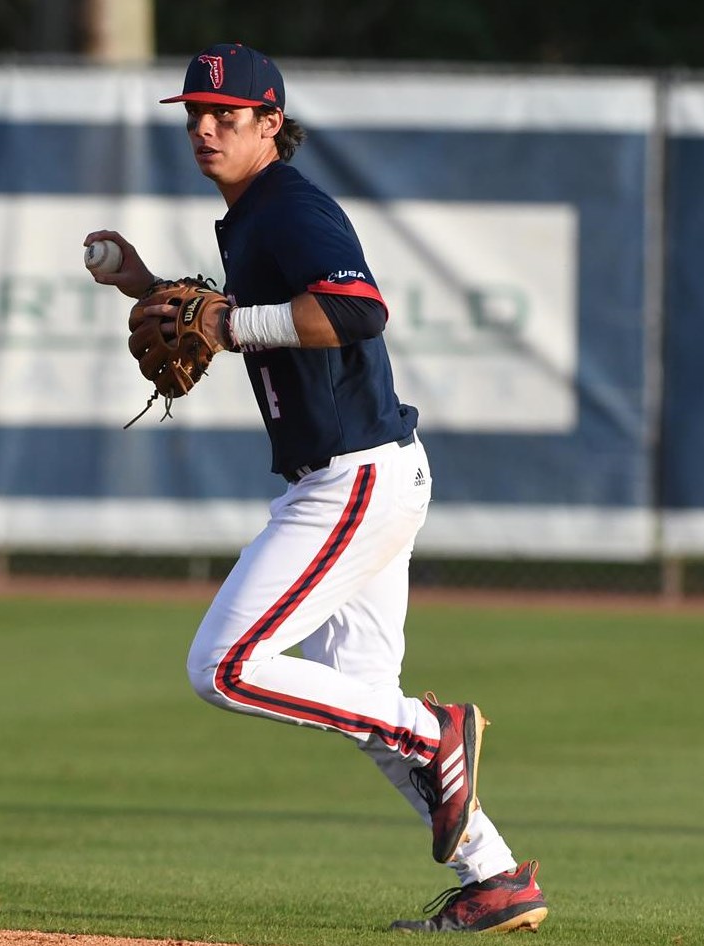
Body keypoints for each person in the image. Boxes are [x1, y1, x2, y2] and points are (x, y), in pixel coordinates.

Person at [84, 43, 547, 934]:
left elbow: (358, 309)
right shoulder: (250, 217)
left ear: (271, 123)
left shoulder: (289, 207)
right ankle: (495, 876)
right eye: (195, 113)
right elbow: (222, 319)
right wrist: (144, 285)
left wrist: (230, 322)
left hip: (352, 479)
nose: (205, 127)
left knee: (223, 666)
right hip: (362, 474)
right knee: (361, 698)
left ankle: (433, 731)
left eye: (227, 113)